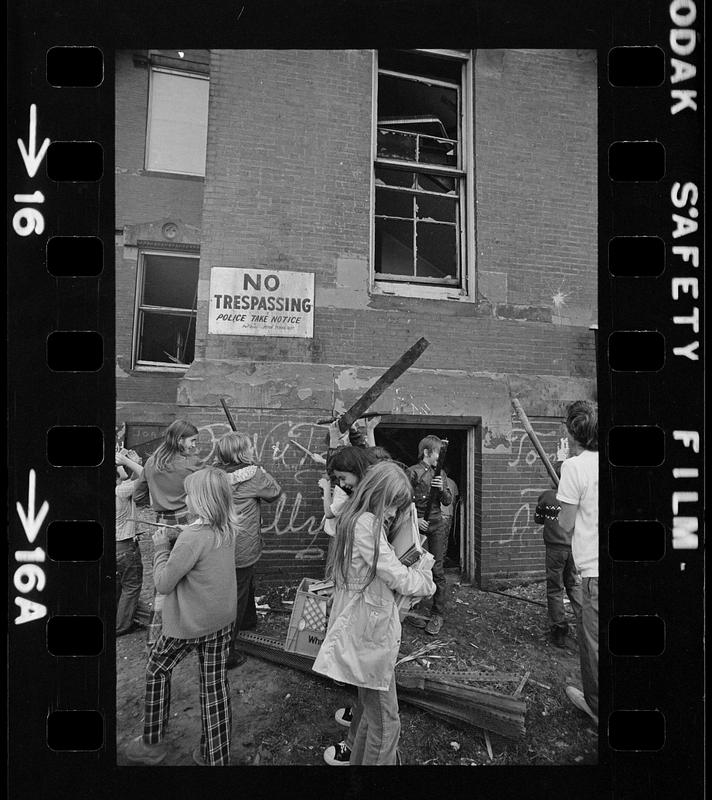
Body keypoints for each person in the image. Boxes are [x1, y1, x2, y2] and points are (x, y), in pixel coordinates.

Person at [313, 461, 435, 765]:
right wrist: (426, 579)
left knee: (372, 711)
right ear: (378, 494)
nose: (392, 513)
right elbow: (395, 575)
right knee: (386, 721)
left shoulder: (355, 518)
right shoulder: (367, 524)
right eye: (391, 504)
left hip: (364, 627)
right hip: (369, 633)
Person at [125, 468, 238, 766]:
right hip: (221, 621)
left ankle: (152, 744)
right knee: (214, 686)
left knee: (156, 670)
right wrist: (182, 533)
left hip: (190, 622)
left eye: (188, 494)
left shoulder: (190, 538)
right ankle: (216, 756)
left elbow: (163, 583)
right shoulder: (227, 528)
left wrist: (161, 548)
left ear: (201, 501)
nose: (184, 499)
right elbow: (201, 547)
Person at [317, 445, 377, 765]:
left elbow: (383, 564)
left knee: (372, 689)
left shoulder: (370, 511)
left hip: (364, 597)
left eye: (343, 477)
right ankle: (357, 715)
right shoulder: (362, 499)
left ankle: (355, 745)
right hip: (356, 591)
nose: (342, 484)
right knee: (359, 669)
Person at [214, 432, 282, 669]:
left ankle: (248, 621)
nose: (252, 449)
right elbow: (274, 492)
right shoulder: (254, 475)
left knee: (238, 587)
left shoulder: (212, 475)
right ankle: (226, 652)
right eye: (249, 447)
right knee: (238, 595)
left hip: (217, 544)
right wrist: (260, 470)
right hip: (243, 545)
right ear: (241, 453)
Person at [133, 419, 202, 649]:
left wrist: (159, 501)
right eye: (192, 440)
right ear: (180, 440)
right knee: (189, 576)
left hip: (161, 525)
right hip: (186, 524)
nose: (195, 445)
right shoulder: (190, 464)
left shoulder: (151, 462)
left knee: (163, 578)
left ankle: (156, 637)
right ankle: (186, 632)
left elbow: (138, 496)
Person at [556, 401, 599, 725]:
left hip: (594, 572)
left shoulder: (573, 467)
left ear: (572, 432)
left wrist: (562, 498)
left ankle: (596, 707)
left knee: (593, 644)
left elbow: (566, 524)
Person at [405, 435, 452, 635]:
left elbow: (447, 501)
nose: (439, 457)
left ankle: (437, 614)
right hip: (417, 527)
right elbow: (402, 501)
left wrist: (441, 489)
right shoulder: (412, 472)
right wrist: (415, 520)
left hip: (436, 526)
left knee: (437, 570)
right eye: (437, 453)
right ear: (427, 452)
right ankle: (411, 609)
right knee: (414, 567)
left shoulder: (440, 474)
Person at [535, 463, 582, 648]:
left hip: (555, 549)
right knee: (574, 586)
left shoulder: (547, 497)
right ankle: (586, 624)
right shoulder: (577, 497)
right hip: (574, 548)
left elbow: (538, 519)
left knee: (555, 589)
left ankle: (559, 631)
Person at [115, 449, 150, 636]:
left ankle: (119, 618)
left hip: (114, 547)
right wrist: (130, 462)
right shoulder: (121, 491)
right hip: (126, 546)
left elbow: (125, 479)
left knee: (119, 585)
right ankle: (121, 626)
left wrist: (123, 464)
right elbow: (148, 476)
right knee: (131, 586)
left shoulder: (117, 489)